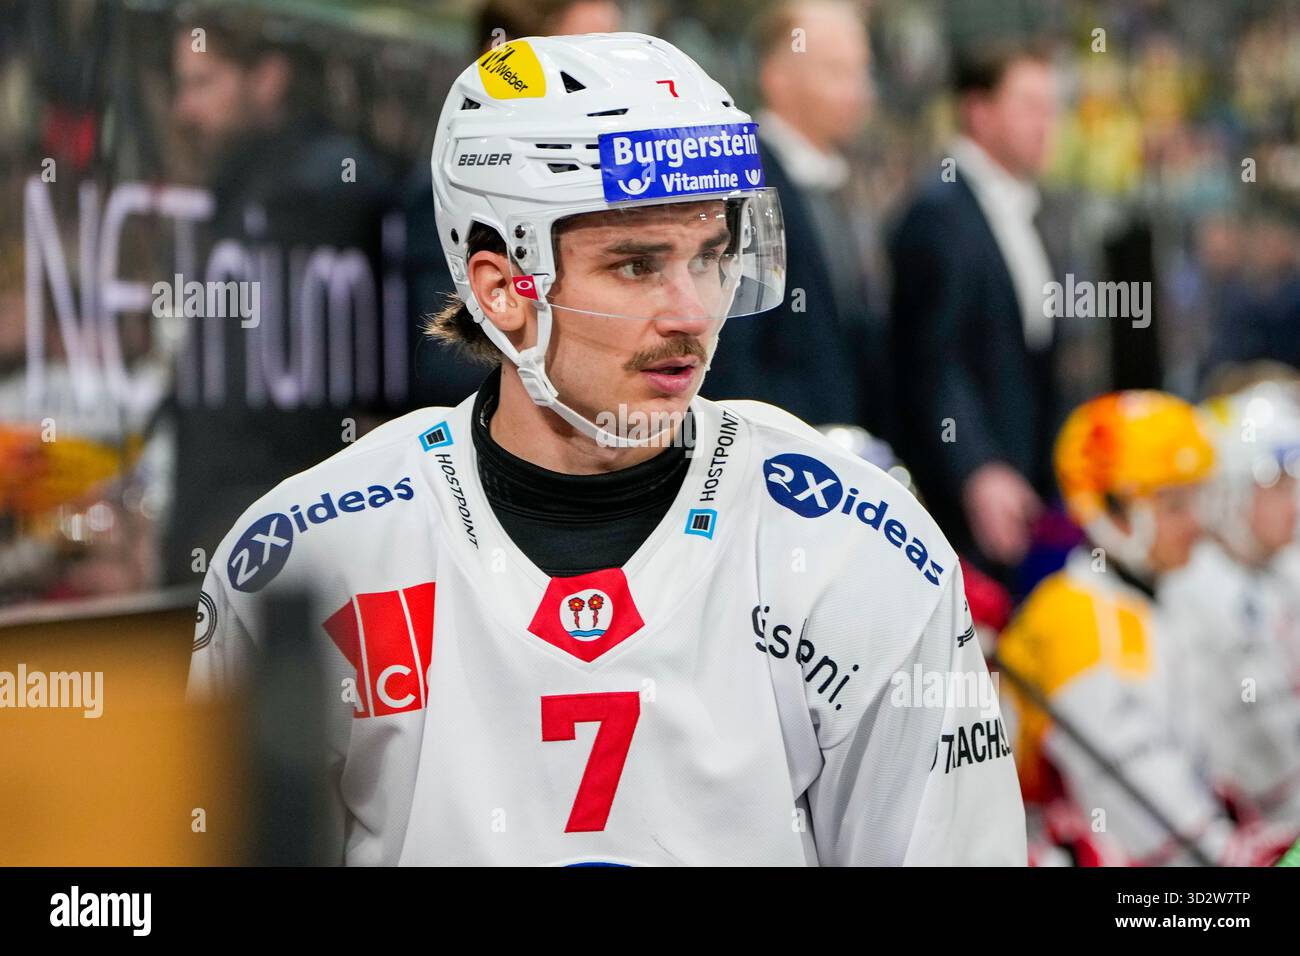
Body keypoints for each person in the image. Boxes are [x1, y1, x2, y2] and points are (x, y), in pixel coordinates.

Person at [187, 33, 1026, 866]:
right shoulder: (312, 553)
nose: (692, 313)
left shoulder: (856, 545)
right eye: (635, 266)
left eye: (711, 257)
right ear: (501, 290)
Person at [998, 391, 1294, 865]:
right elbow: (1150, 822)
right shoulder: (1076, 622)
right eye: (1174, 505)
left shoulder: (1154, 592)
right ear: (1111, 510)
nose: (1196, 522)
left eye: (1198, 497)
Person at [163, 8, 397, 585]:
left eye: (202, 83)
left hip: (275, 545)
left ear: (267, 78)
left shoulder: (322, 195)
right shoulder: (241, 193)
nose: (184, 110)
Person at [888, 43, 1061, 581]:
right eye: (1029, 105)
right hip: (966, 507)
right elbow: (930, 359)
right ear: (978, 110)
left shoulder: (1027, 209)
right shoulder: (939, 213)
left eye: (1051, 109)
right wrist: (977, 468)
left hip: (1027, 484)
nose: (1045, 124)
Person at [702, 0, 884, 432]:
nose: (857, 91)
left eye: (862, 72)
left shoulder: (842, 183)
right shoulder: (743, 179)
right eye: (836, 72)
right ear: (777, 78)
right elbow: (733, 340)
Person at [1158, 382, 1300, 824]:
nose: (1295, 504)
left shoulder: (1285, 567)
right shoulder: (1193, 592)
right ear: (1228, 491)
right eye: (1277, 487)